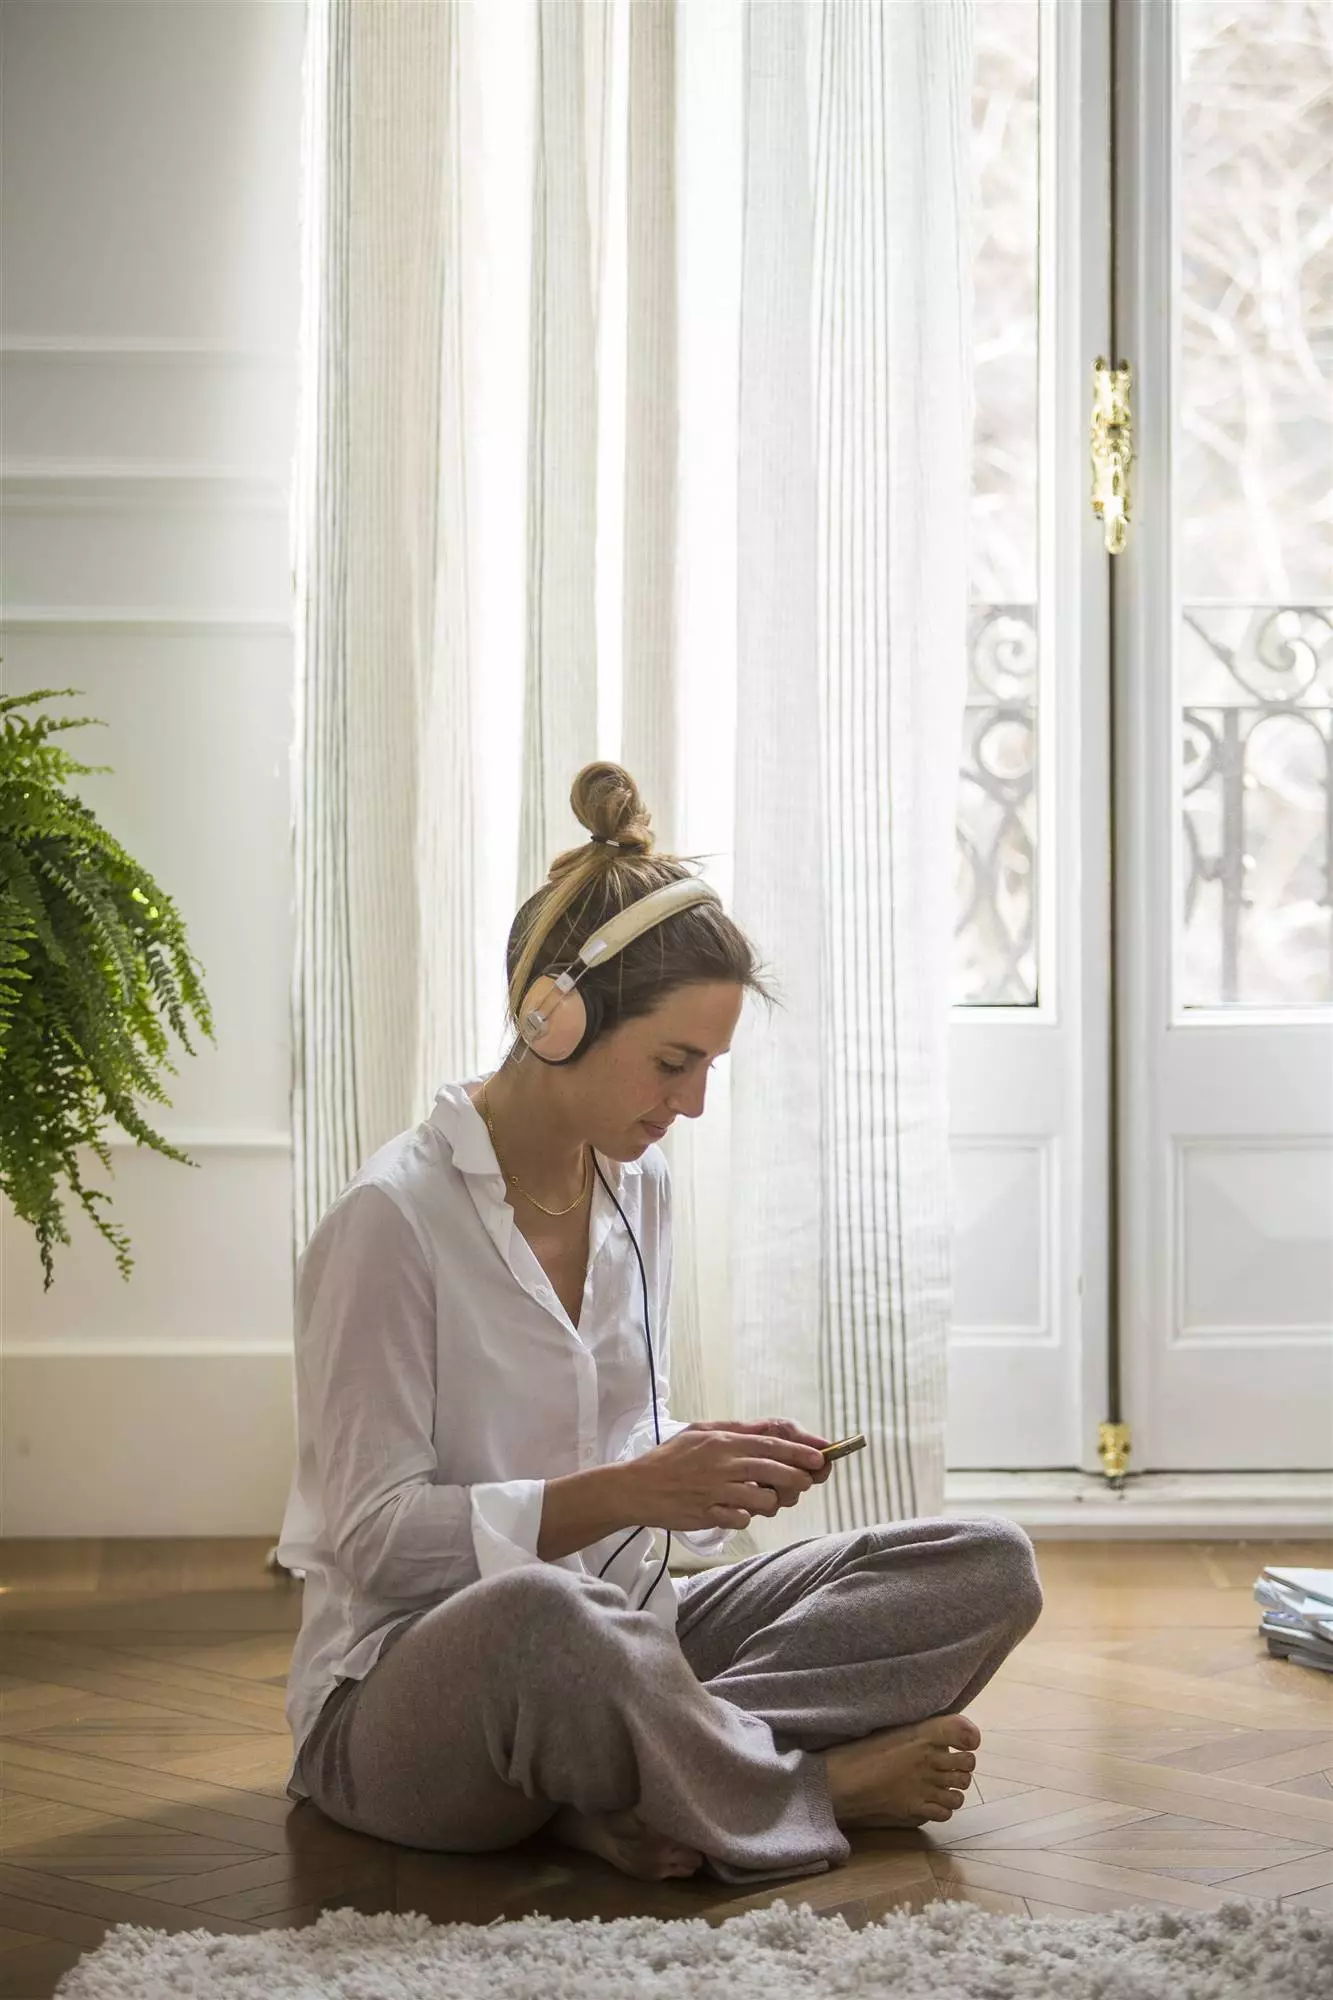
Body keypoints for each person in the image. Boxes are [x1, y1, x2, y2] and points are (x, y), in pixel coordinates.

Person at [277, 760, 1042, 1885]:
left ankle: (635, 1791)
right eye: (673, 1061)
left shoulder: (642, 1193)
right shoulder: (389, 1221)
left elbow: (629, 1449)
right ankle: (804, 1787)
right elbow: (376, 1543)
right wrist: (633, 1489)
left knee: (984, 1563)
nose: (689, 1104)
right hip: (426, 1688)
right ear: (554, 1017)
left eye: (708, 1069)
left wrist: (707, 1468)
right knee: (546, 1616)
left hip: (633, 1638)